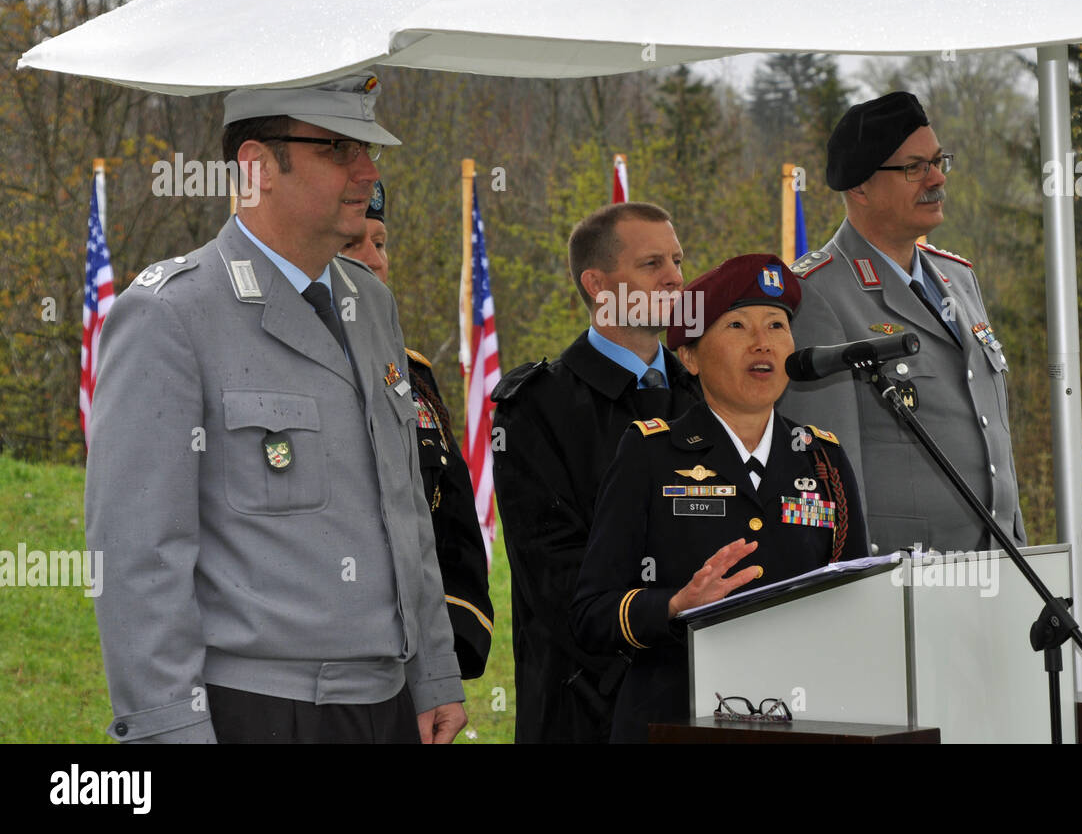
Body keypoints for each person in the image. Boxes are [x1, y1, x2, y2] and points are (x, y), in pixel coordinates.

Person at [85, 74, 467, 743]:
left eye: (368, 148)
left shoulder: (370, 302)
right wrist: (169, 729)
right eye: (338, 148)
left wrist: (433, 671)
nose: (368, 171)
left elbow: (404, 507)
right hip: (259, 709)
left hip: (388, 704)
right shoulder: (171, 313)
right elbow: (139, 554)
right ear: (258, 166)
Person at [571, 253, 869, 743]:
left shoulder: (823, 460)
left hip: (803, 718)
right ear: (689, 357)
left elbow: (856, 601)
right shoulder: (650, 453)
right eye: (736, 325)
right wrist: (675, 605)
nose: (762, 342)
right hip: (676, 718)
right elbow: (592, 613)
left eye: (776, 325)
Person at [780, 91, 1026, 555]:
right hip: (902, 574)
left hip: (999, 560)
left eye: (938, 161)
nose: (937, 179)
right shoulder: (817, 293)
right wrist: (857, 577)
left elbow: (991, 433)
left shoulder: (958, 278)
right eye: (915, 168)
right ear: (860, 187)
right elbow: (823, 472)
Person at [491, 201, 701, 743]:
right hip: (588, 704)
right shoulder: (537, 407)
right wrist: (660, 626)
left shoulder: (705, 393)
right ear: (598, 284)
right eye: (652, 264)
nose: (676, 278)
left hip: (707, 690)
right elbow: (555, 574)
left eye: (677, 260)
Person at [340, 180, 494, 678]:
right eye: (352, 245)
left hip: (413, 658)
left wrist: (443, 656)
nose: (374, 260)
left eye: (380, 243)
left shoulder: (413, 376)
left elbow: (453, 527)